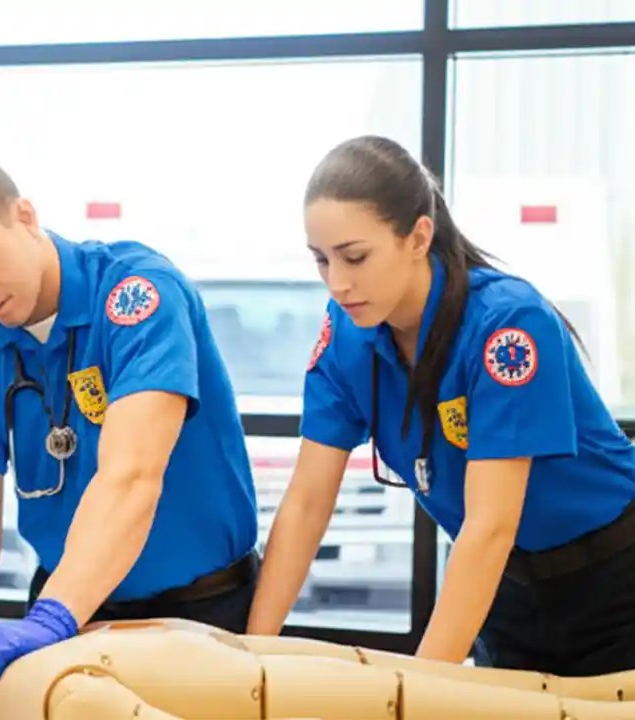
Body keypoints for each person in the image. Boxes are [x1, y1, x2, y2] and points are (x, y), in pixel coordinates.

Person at [0, 148, 260, 697]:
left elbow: (131, 479)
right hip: (66, 617)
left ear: (25, 216)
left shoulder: (137, 298)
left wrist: (53, 618)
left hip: (202, 614)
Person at [247, 135, 635, 675]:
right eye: (321, 260)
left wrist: (420, 687)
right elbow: (307, 503)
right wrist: (249, 654)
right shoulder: (346, 337)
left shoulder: (506, 325)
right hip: (506, 589)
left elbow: (490, 524)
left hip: (616, 580)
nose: (337, 282)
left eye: (355, 257)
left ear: (418, 236)